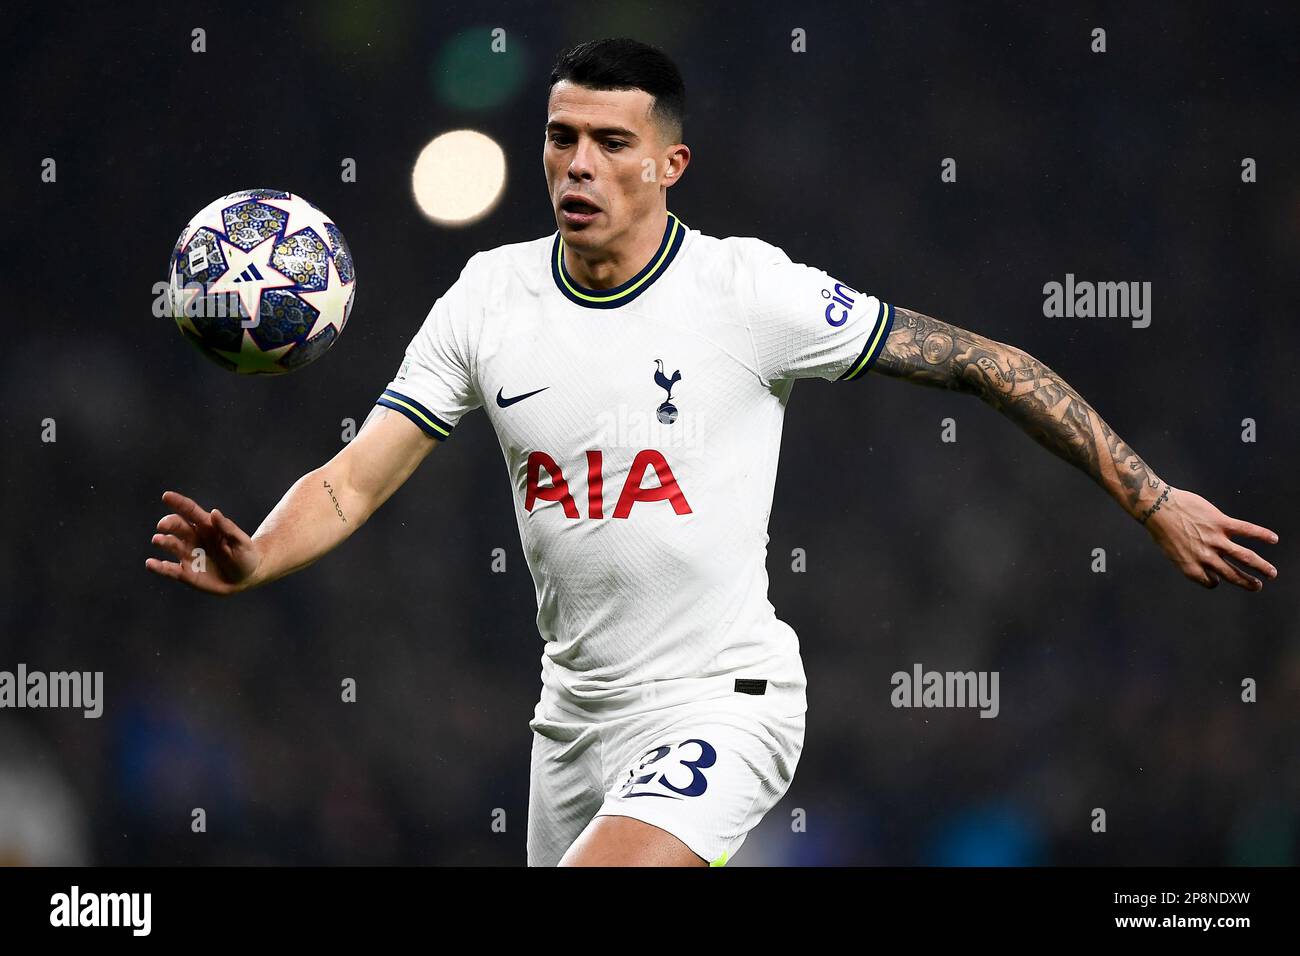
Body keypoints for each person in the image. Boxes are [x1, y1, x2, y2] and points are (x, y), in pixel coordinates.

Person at [146, 37, 1279, 867]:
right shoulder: (487, 297)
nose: (576, 165)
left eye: (609, 142)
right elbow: (351, 479)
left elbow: (979, 359)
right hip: (569, 724)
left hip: (720, 698)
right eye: (559, 139)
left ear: (669, 165)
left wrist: (1148, 497)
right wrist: (258, 559)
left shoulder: (750, 291)